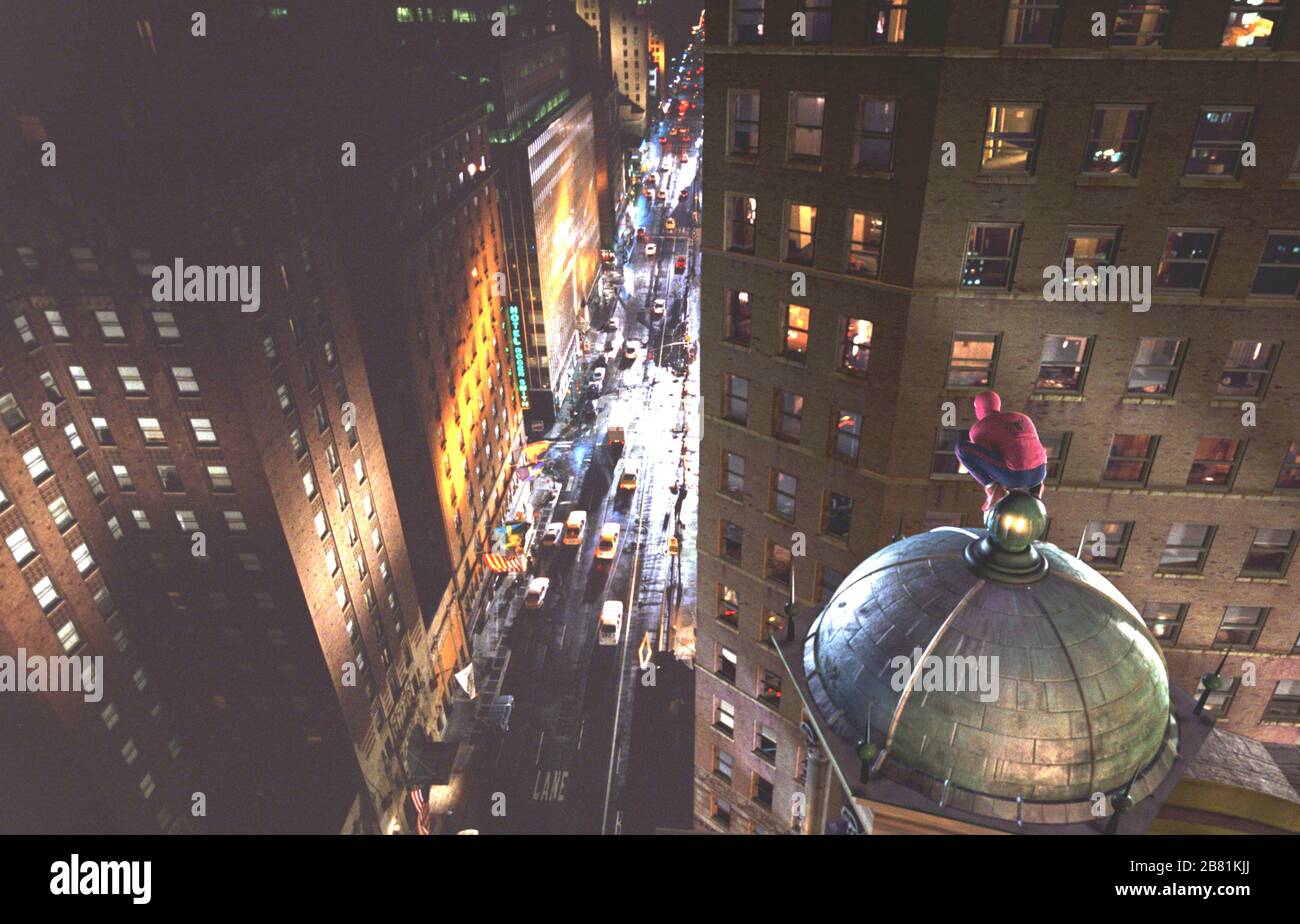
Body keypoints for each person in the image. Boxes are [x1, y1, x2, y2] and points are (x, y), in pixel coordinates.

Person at [954, 390, 1047, 511]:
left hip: (1014, 476)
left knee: (961, 449)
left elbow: (986, 459)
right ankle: (1037, 488)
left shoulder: (979, 428)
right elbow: (1035, 445)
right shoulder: (1023, 418)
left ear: (979, 408)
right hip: (1040, 473)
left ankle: (992, 489)